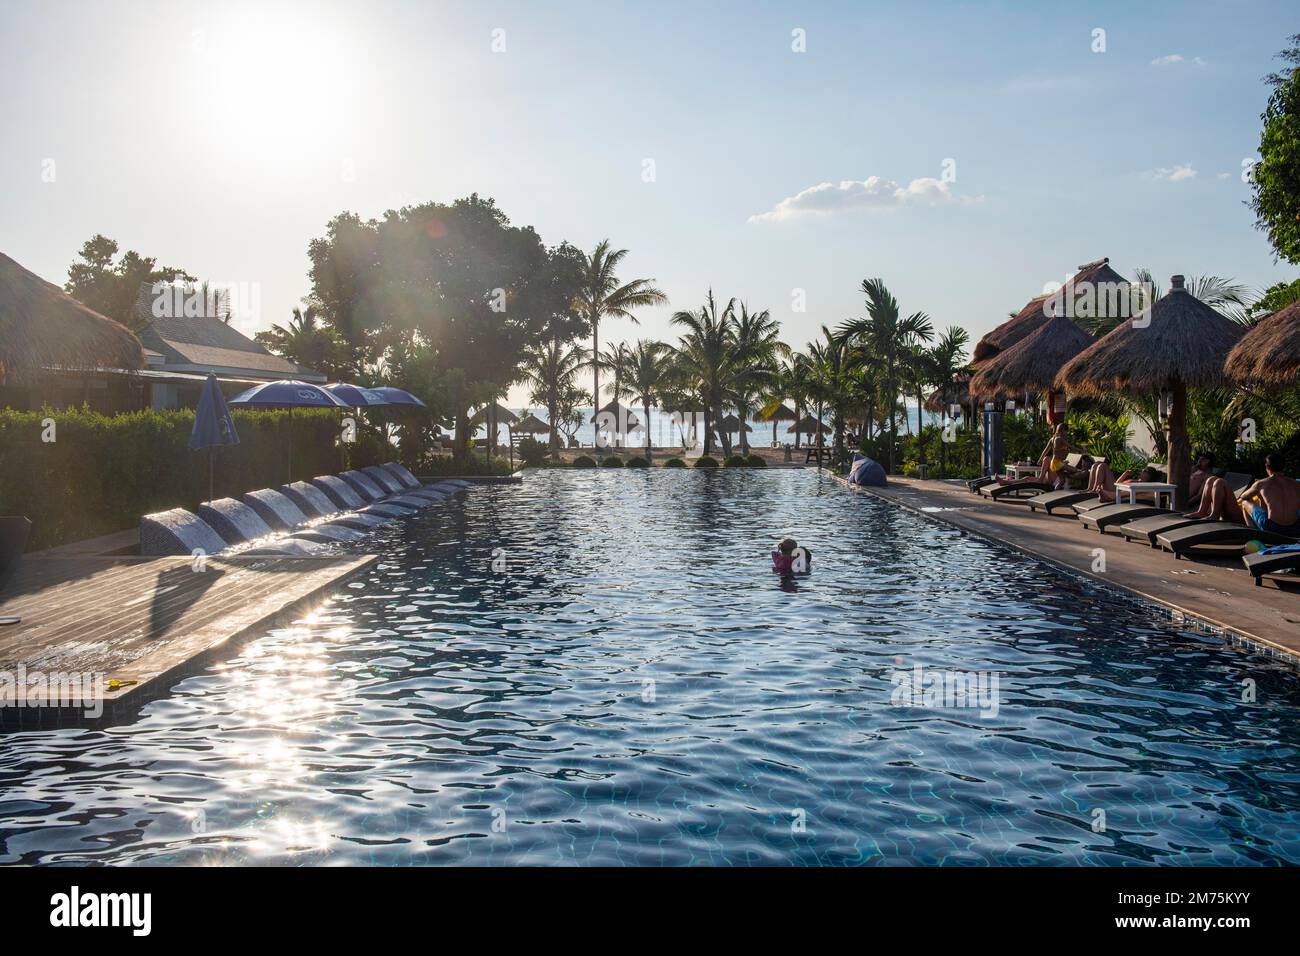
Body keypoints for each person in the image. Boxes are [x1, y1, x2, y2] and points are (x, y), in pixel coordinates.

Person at [1237, 454, 1300, 536]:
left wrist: (1259, 493)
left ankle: (1253, 535)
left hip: (1273, 529)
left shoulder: (1262, 483)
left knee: (1245, 502)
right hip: (1295, 529)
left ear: (1267, 467)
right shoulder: (1296, 484)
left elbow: (1243, 496)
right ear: (1283, 467)